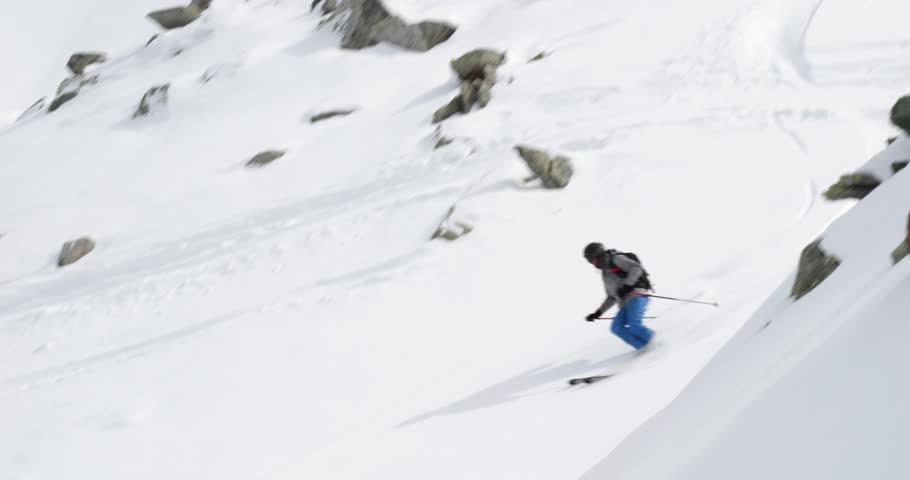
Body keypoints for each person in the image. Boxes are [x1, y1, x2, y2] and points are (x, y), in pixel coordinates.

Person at [583, 242, 656, 351]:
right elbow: (611, 297)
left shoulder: (616, 259)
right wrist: (598, 313)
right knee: (616, 328)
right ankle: (644, 349)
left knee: (634, 326)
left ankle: (657, 342)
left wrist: (627, 285)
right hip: (625, 303)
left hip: (637, 295)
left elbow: (636, 267)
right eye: (589, 261)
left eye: (592, 259)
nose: (592, 263)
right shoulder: (605, 273)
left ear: (598, 255)